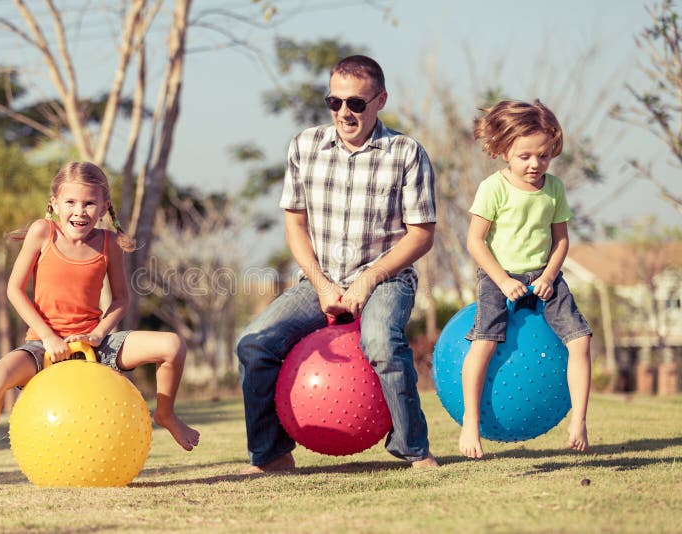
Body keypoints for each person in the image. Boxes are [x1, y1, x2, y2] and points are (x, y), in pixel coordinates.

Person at [235, 55, 439, 473]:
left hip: (387, 280)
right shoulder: (304, 146)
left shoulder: (406, 153)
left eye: (357, 103)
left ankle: (412, 449)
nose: (344, 112)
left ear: (380, 100)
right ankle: (270, 453)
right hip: (319, 281)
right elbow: (294, 225)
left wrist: (369, 279)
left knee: (381, 341)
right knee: (253, 343)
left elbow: (421, 234)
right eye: (335, 101)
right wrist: (323, 285)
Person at [0, 161, 199, 491]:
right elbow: (14, 290)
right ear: (54, 203)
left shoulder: (109, 243)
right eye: (70, 202)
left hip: (94, 343)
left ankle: (166, 414)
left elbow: (120, 300)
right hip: (43, 346)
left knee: (172, 346)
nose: (80, 211)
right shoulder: (42, 232)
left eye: (89, 203)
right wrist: (48, 336)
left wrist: (99, 332)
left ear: (104, 206)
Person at [459, 100, 592, 459]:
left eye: (544, 156)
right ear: (504, 151)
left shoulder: (554, 189)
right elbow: (475, 241)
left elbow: (561, 240)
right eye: (525, 156)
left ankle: (579, 420)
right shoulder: (493, 188)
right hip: (498, 276)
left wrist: (549, 276)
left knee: (580, 341)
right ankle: (471, 422)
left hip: (544, 277)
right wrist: (502, 281)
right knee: (485, 341)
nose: (535, 164)